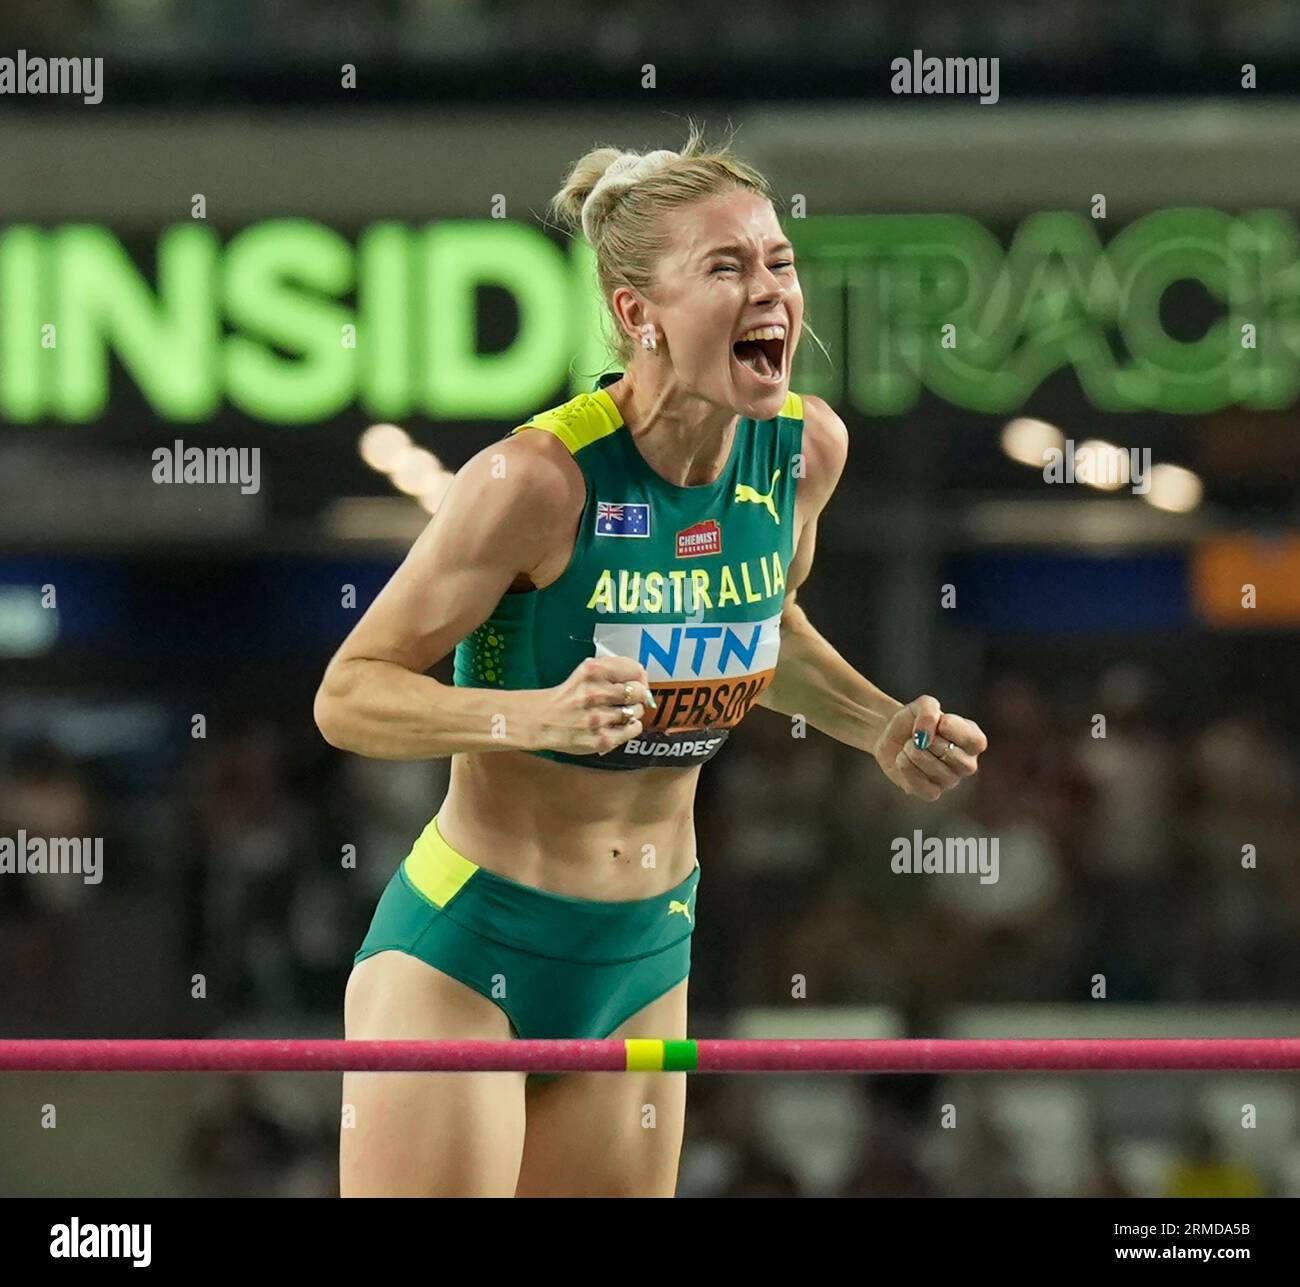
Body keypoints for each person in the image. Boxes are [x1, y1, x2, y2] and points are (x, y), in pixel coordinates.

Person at [313, 125, 987, 1197]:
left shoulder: (805, 450)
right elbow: (348, 696)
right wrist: (525, 717)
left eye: (778, 261)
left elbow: (762, 618)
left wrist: (876, 724)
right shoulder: (530, 483)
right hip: (465, 944)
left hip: (644, 953)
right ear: (639, 315)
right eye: (726, 267)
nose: (769, 291)